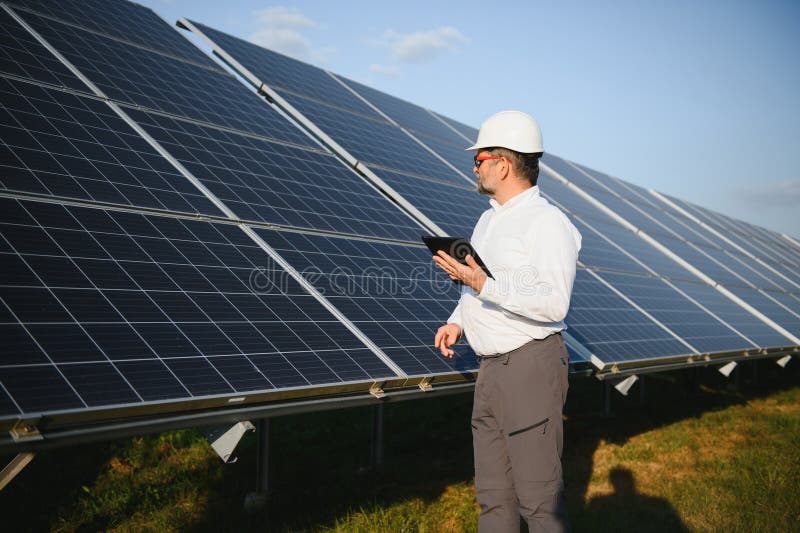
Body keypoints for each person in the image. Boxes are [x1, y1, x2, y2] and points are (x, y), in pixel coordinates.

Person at [432, 110, 581, 532]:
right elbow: (482, 289)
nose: (474, 167)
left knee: (538, 501)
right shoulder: (488, 220)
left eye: (479, 159)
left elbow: (554, 303)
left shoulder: (548, 223)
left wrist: (481, 282)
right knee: (493, 498)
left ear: (503, 164)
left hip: (530, 364)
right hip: (491, 370)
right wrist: (458, 321)